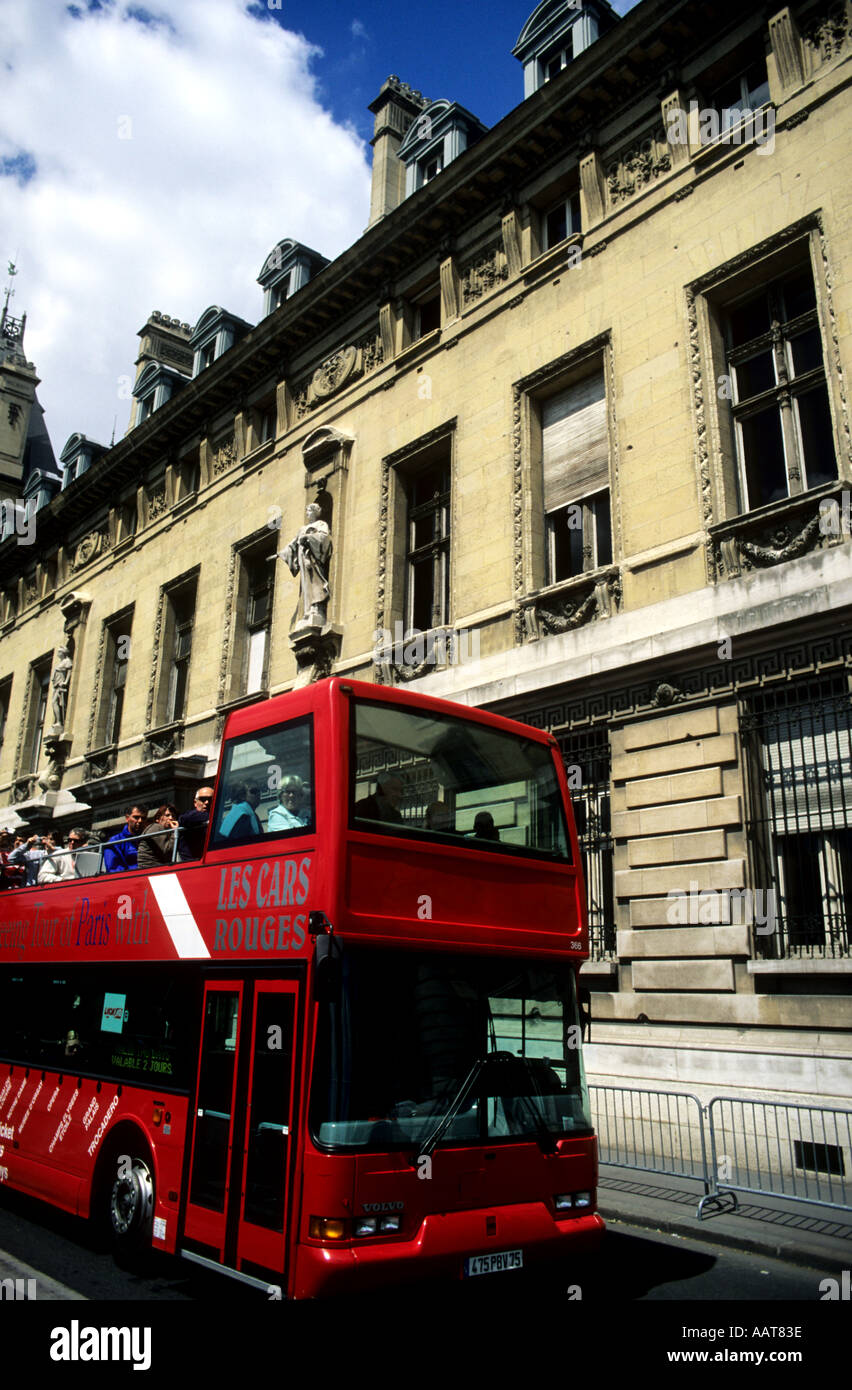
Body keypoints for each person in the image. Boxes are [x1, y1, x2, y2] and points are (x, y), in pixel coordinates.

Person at [279, 501, 333, 626]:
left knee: (315, 581)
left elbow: (324, 538)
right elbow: (292, 545)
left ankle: (317, 608)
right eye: (307, 511)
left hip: (314, 559)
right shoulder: (301, 529)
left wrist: (308, 538)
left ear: (315, 512)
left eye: (309, 511)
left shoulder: (321, 524)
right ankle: (308, 610)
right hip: (303, 558)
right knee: (306, 584)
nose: (307, 513)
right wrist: (280, 554)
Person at [177, 785, 214, 862]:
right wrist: (214, 817)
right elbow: (184, 819)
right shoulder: (189, 816)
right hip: (191, 863)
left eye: (210, 799)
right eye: (203, 799)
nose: (207, 802)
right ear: (195, 803)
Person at [103, 806, 145, 873]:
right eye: (136, 817)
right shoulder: (115, 841)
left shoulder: (148, 839)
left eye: (143, 818)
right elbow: (114, 869)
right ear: (127, 818)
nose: (140, 821)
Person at [137, 804, 178, 869]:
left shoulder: (165, 831)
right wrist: (175, 831)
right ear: (157, 819)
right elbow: (168, 851)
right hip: (150, 869)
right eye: (167, 815)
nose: (171, 818)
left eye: (173, 816)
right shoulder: (156, 827)